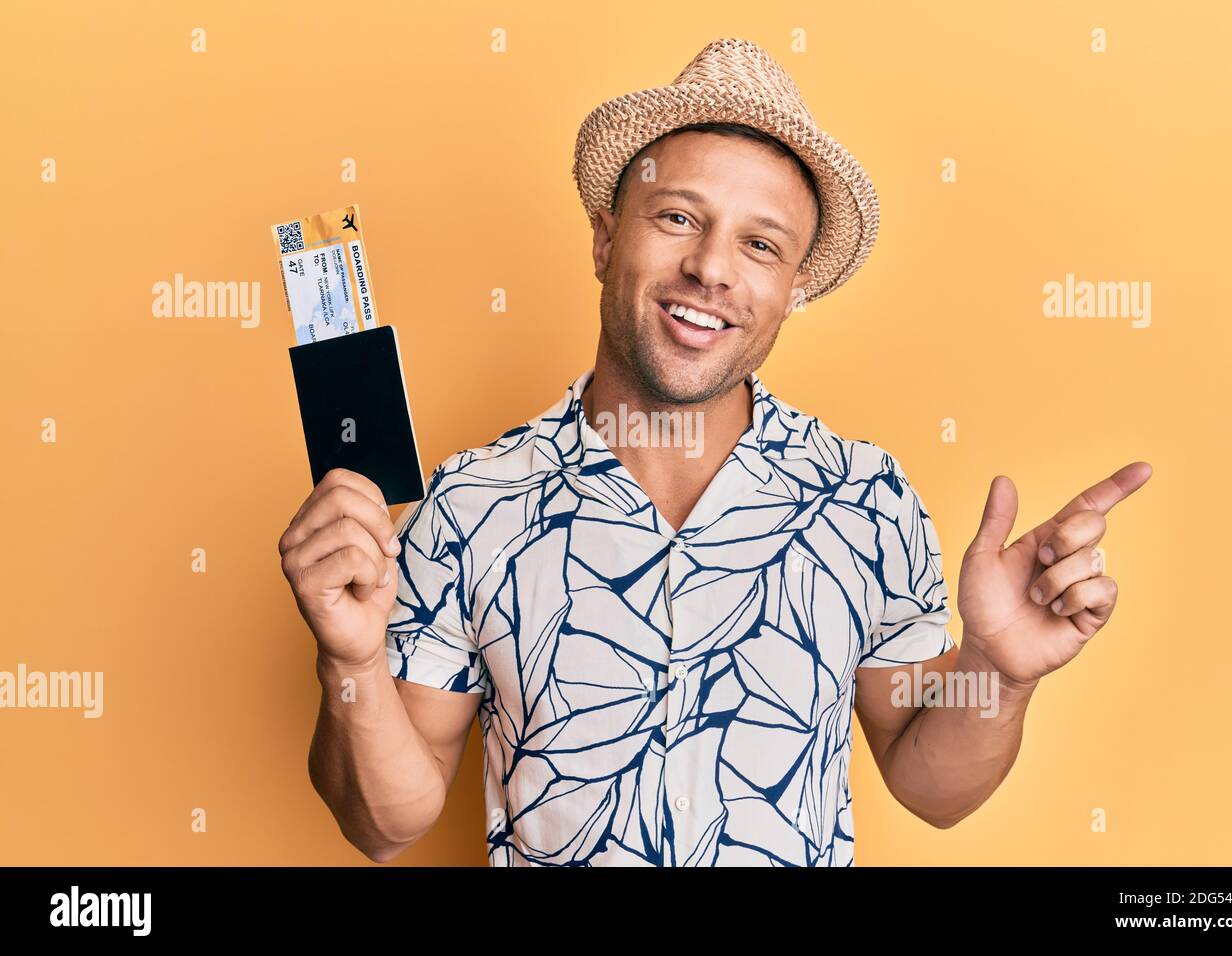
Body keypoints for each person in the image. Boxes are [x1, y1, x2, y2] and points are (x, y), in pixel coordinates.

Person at [278, 38, 1152, 866]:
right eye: (677, 218)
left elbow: (932, 788)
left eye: (760, 245)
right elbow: (387, 827)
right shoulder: (470, 504)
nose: (711, 268)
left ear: (791, 289)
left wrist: (997, 675)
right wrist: (349, 660)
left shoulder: (867, 499)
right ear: (603, 238)